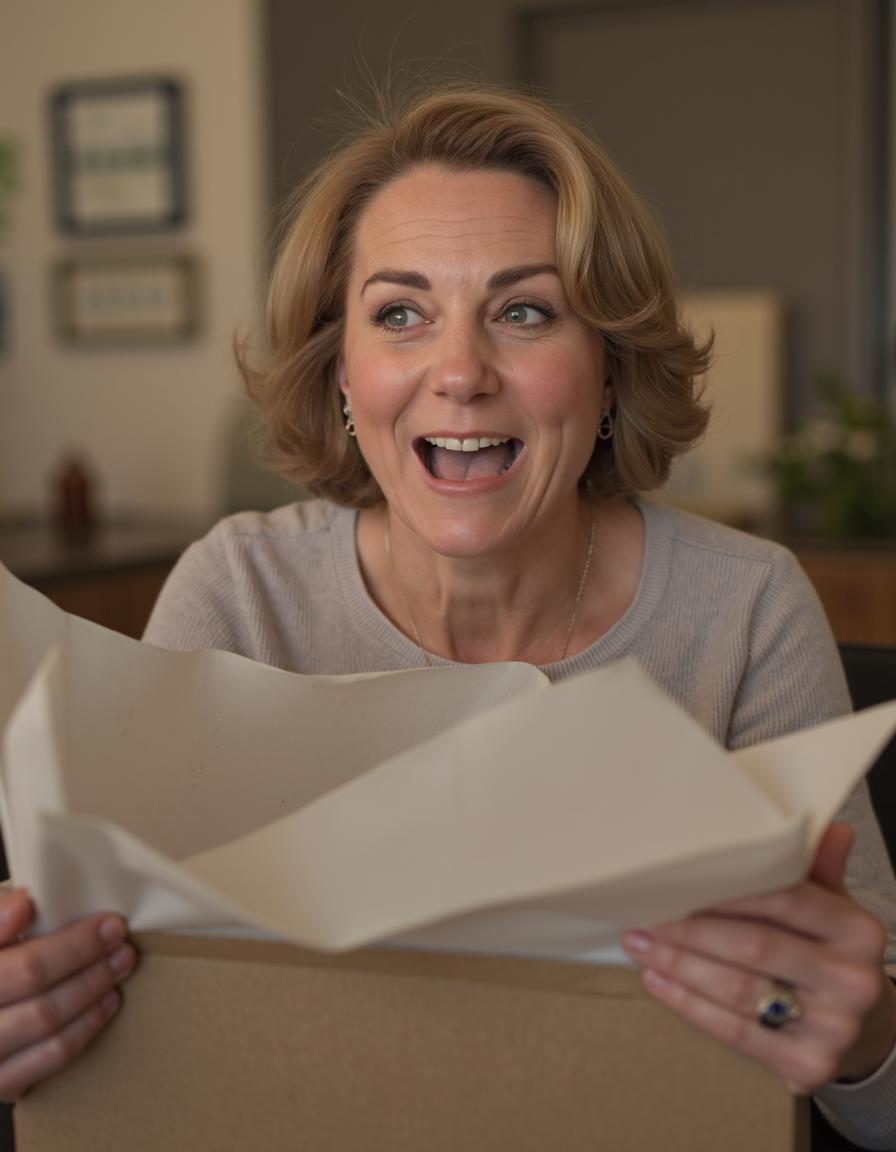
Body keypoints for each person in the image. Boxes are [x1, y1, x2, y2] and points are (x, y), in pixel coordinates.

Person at [2, 83, 895, 1146]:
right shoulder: (239, 592)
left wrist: (859, 1036)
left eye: (524, 311)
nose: (461, 373)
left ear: (609, 369)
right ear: (342, 372)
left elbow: (879, 1098)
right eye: (399, 314)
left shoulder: (743, 606)